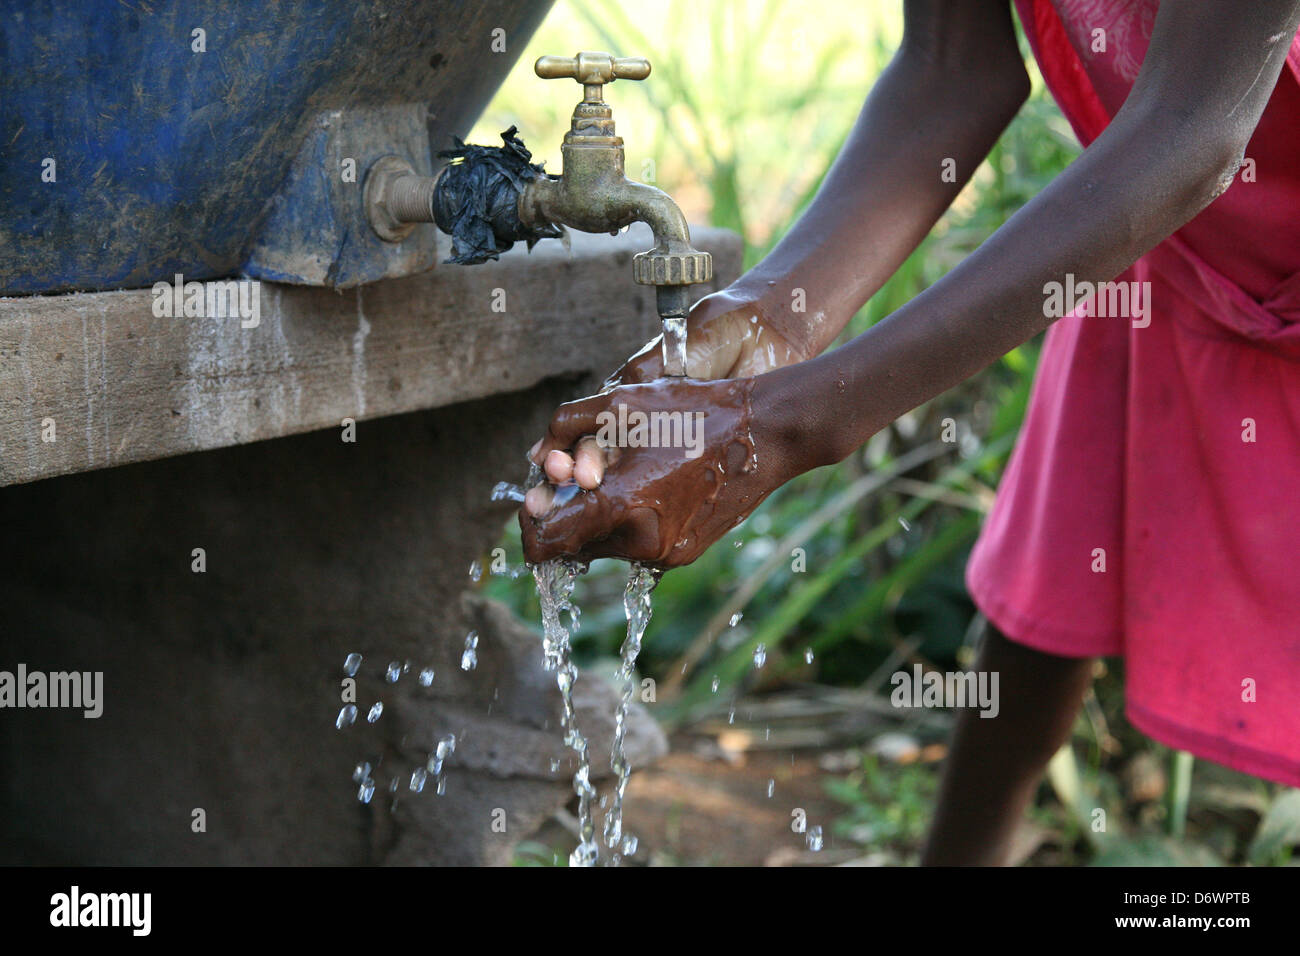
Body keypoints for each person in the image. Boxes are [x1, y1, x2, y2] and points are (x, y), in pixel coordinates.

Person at [520, 0, 1300, 864]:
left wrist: (786, 425)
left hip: (1178, 190)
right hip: (1180, 252)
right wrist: (770, 319)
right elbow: (951, 71)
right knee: (1038, 624)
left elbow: (1193, 129)